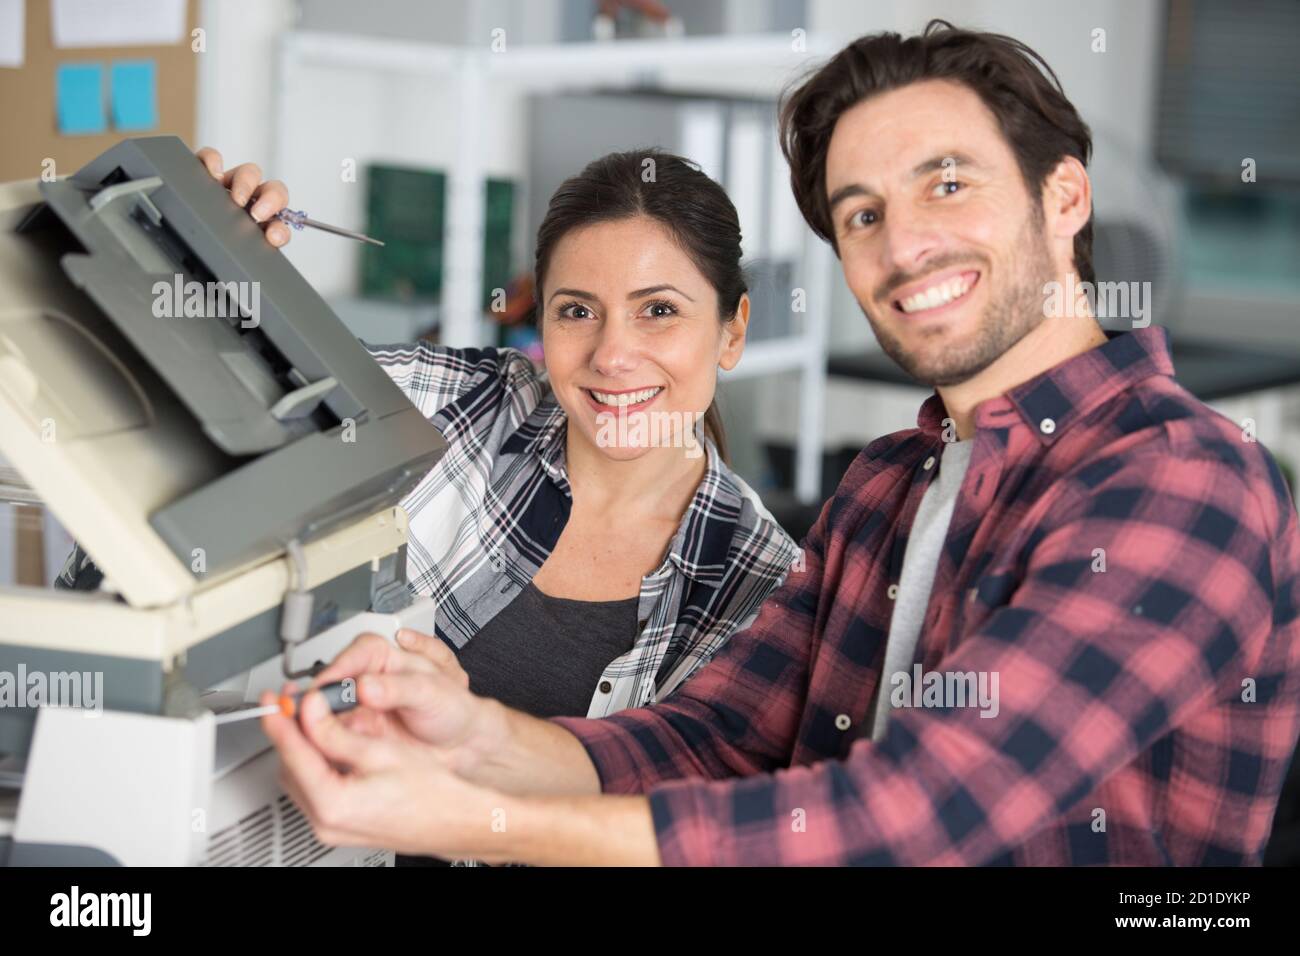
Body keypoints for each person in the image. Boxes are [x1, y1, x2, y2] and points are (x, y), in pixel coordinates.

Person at [264, 20, 1300, 866]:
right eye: (860, 213)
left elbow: (919, 816)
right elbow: (705, 740)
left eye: (947, 184)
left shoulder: (1182, 478)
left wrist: (462, 819)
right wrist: (476, 736)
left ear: (1062, 195)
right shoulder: (889, 487)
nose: (902, 245)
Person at [60, 147, 798, 722]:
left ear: (732, 330)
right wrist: (200, 265)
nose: (611, 354)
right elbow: (237, 400)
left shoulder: (766, 589)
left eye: (659, 310)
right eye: (577, 311)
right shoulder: (459, 407)